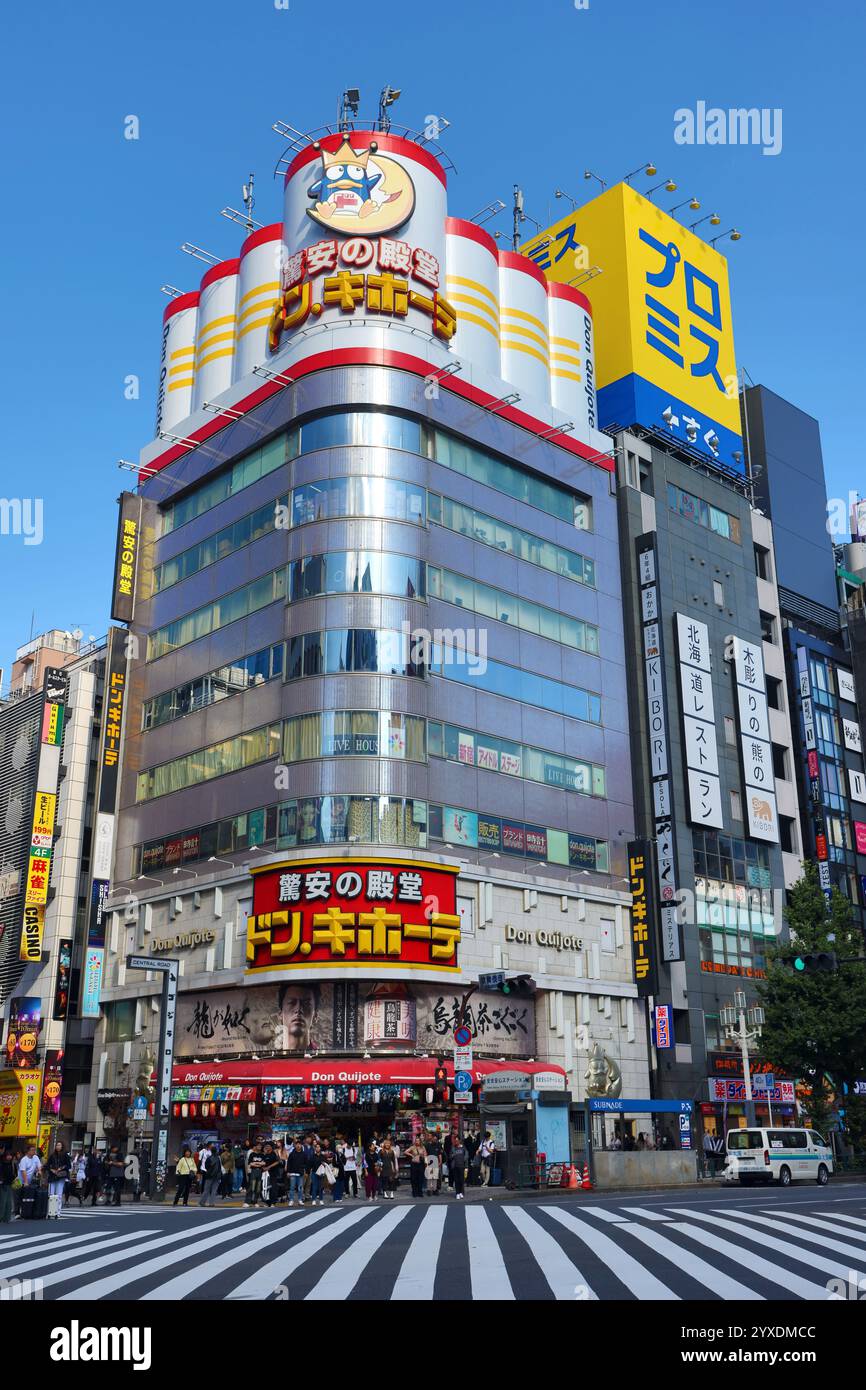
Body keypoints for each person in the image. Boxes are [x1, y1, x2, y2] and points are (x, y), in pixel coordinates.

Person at [47, 1142, 71, 1208]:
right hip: (52, 1176)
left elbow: (69, 1165)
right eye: (57, 1145)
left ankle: (58, 1211)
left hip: (61, 1176)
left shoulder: (65, 1155)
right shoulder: (52, 1155)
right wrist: (52, 1170)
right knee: (51, 1194)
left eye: (59, 1145)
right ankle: (51, 1210)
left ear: (62, 1146)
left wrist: (61, 1168)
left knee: (59, 1194)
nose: (58, 1146)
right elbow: (47, 1165)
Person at [245, 1142, 266, 1208]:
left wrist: (255, 1163)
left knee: (258, 1188)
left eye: (260, 1146)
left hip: (260, 1171)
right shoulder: (252, 1154)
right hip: (253, 1171)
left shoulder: (262, 1155)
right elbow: (250, 1164)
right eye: (258, 1145)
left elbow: (264, 1163)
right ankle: (247, 1202)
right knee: (251, 1186)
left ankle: (255, 1202)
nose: (259, 1147)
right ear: (255, 1147)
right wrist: (259, 1163)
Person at [286, 1140, 306, 1207]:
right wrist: (288, 1172)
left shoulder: (304, 1154)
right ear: (295, 1145)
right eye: (297, 1144)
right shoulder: (292, 1153)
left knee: (300, 1187)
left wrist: (303, 1169)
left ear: (301, 1146)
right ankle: (291, 1200)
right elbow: (289, 1163)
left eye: (299, 1144)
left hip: (300, 1173)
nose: (298, 1145)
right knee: (292, 1187)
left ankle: (300, 1200)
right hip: (292, 1173)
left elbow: (306, 1163)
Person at [0, 1146, 16, 1224]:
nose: (9, 1157)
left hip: (10, 1184)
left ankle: (7, 1218)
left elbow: (14, 1174)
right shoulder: (2, 1163)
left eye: (11, 1155)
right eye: (8, 1155)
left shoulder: (13, 1164)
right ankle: (1, 1217)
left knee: (9, 1202)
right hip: (3, 1184)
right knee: (3, 1202)